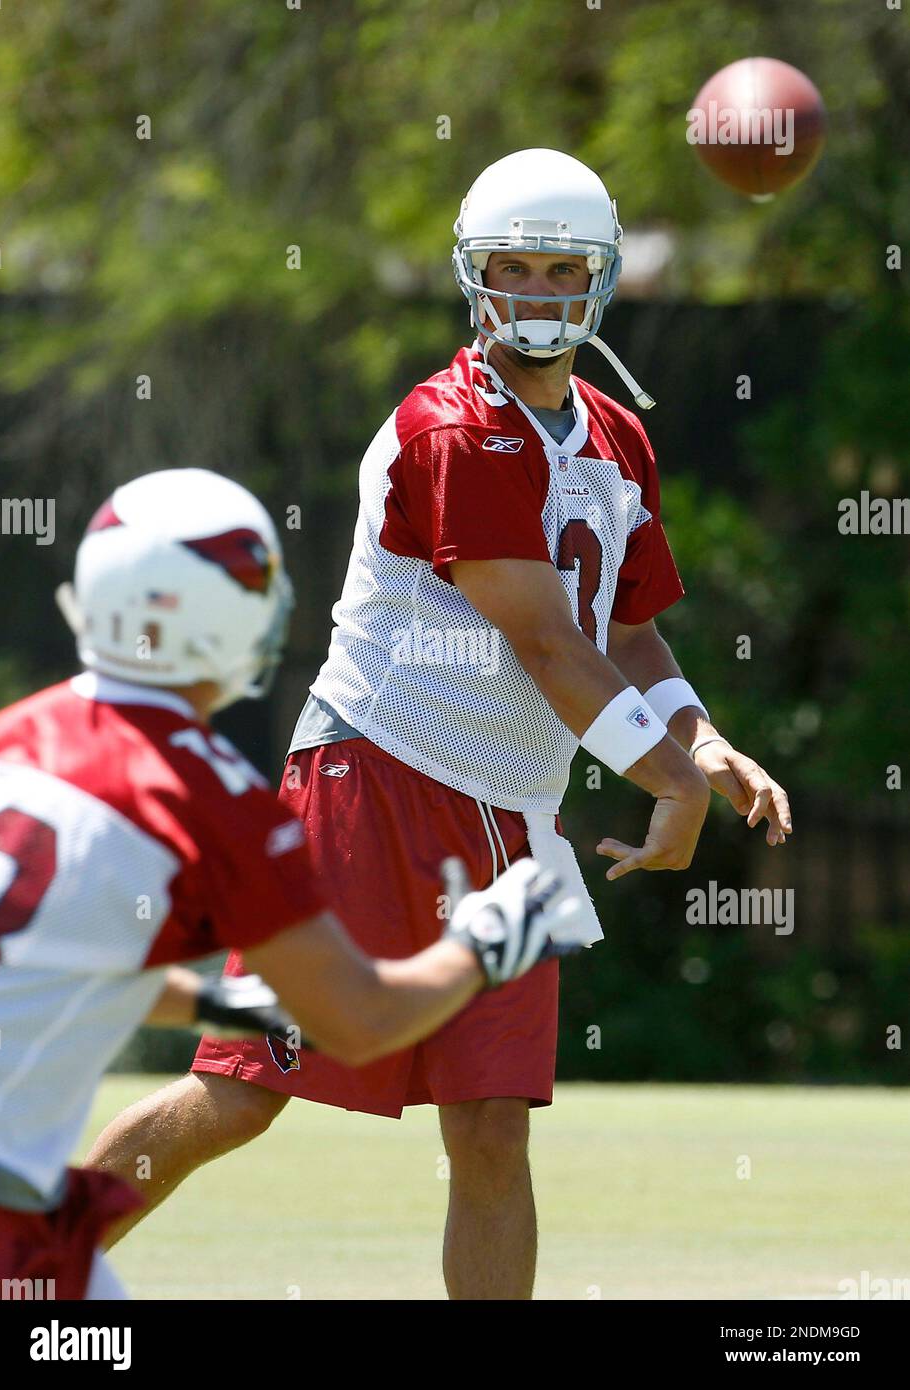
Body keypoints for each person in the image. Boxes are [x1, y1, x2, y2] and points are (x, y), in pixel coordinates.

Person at [87, 149, 792, 1301]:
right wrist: (667, 784)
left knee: (492, 1127)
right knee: (249, 1085)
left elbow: (625, 632)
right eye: (511, 266)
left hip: (510, 816)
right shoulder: (450, 425)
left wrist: (700, 741)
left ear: (601, 279)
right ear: (473, 278)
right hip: (374, 775)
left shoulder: (616, 438)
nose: (536, 291)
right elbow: (543, 640)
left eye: (561, 268)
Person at [0, 466, 591, 1299]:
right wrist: (482, 946)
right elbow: (363, 1018)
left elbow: (30, 956)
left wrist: (207, 1003)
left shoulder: (2, 744)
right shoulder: (213, 800)